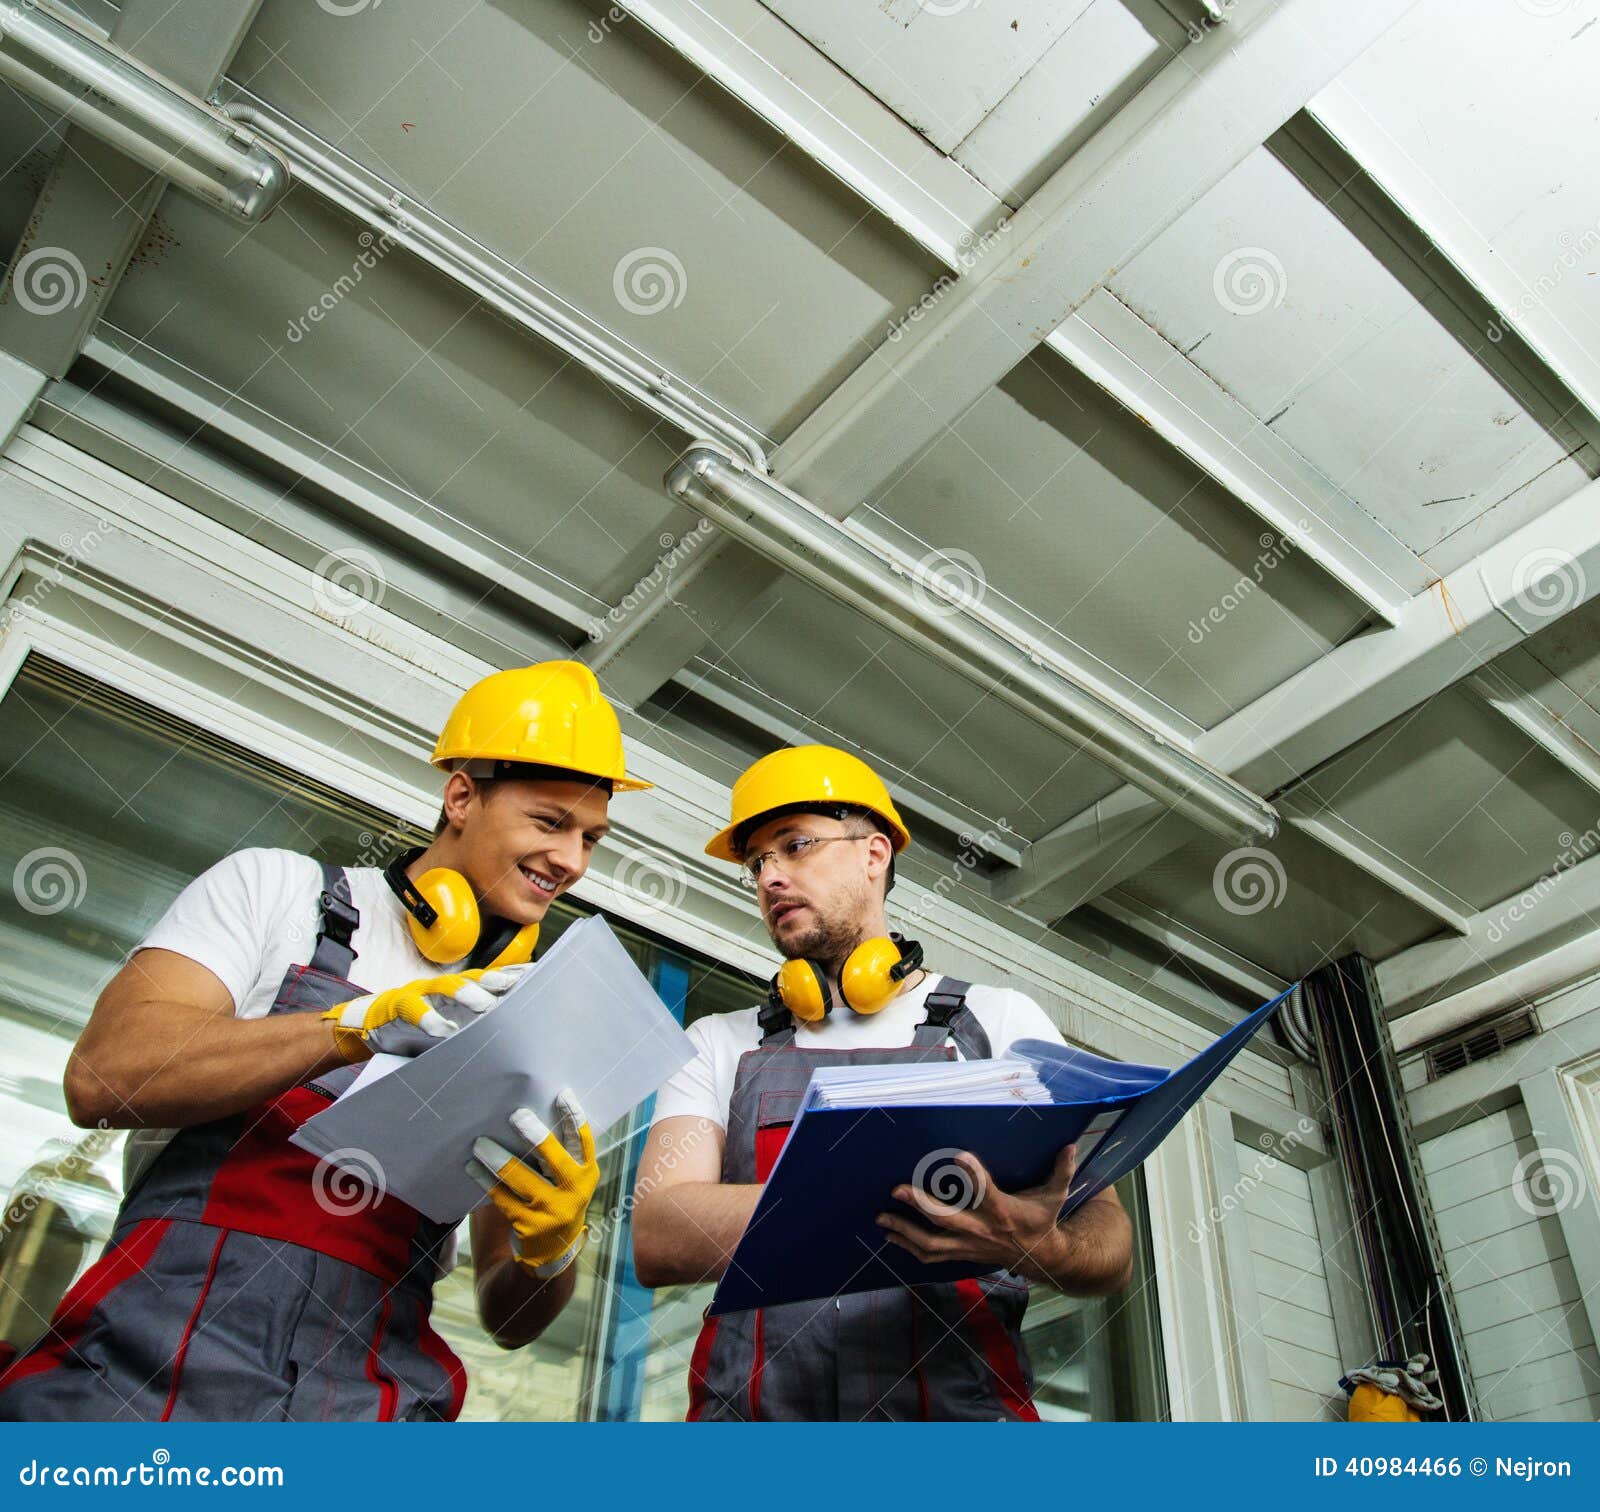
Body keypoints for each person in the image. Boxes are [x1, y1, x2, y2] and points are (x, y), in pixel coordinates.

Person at [0, 660, 649, 1421]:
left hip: (371, 1402)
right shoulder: (278, 891)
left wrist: (553, 1251)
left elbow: (509, 1318)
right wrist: (351, 1027)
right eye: (550, 822)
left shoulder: (532, 1014)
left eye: (591, 838)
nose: (571, 860)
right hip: (150, 1368)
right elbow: (103, 1080)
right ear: (462, 796)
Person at [631, 744, 1133, 1421]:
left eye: (795, 845)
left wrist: (1035, 1244)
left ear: (874, 855)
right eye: (757, 862)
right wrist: (899, 1199)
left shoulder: (997, 1022)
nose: (770, 877)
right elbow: (661, 1232)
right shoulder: (721, 1043)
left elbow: (1109, 1245)